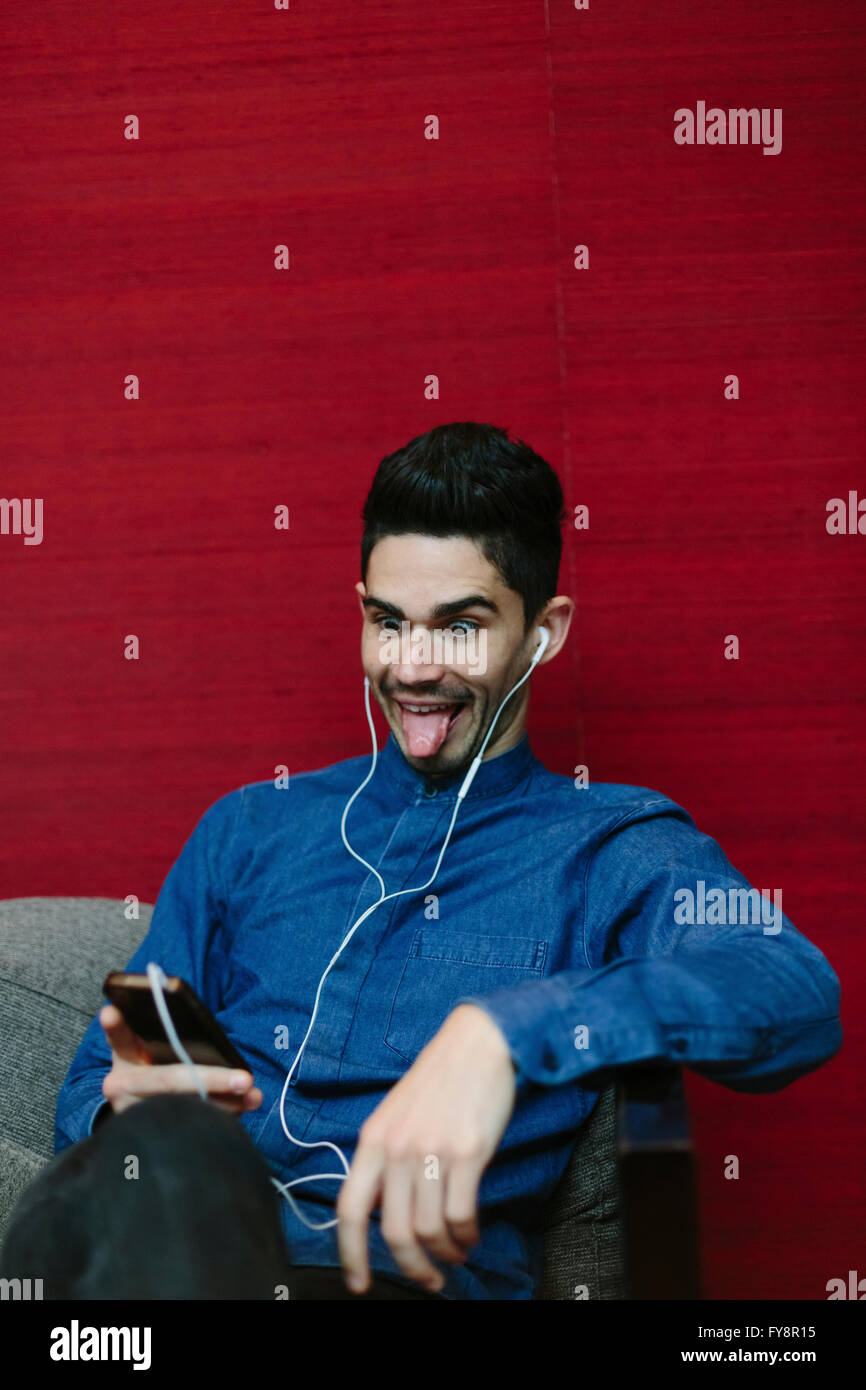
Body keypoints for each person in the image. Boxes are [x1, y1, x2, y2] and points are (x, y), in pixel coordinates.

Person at [16, 423, 844, 1299]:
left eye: (460, 626)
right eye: (388, 622)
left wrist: (501, 1035)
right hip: (171, 1240)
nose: (413, 667)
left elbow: (793, 990)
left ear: (543, 633)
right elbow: (90, 1085)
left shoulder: (613, 846)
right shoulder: (250, 827)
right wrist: (127, 1114)